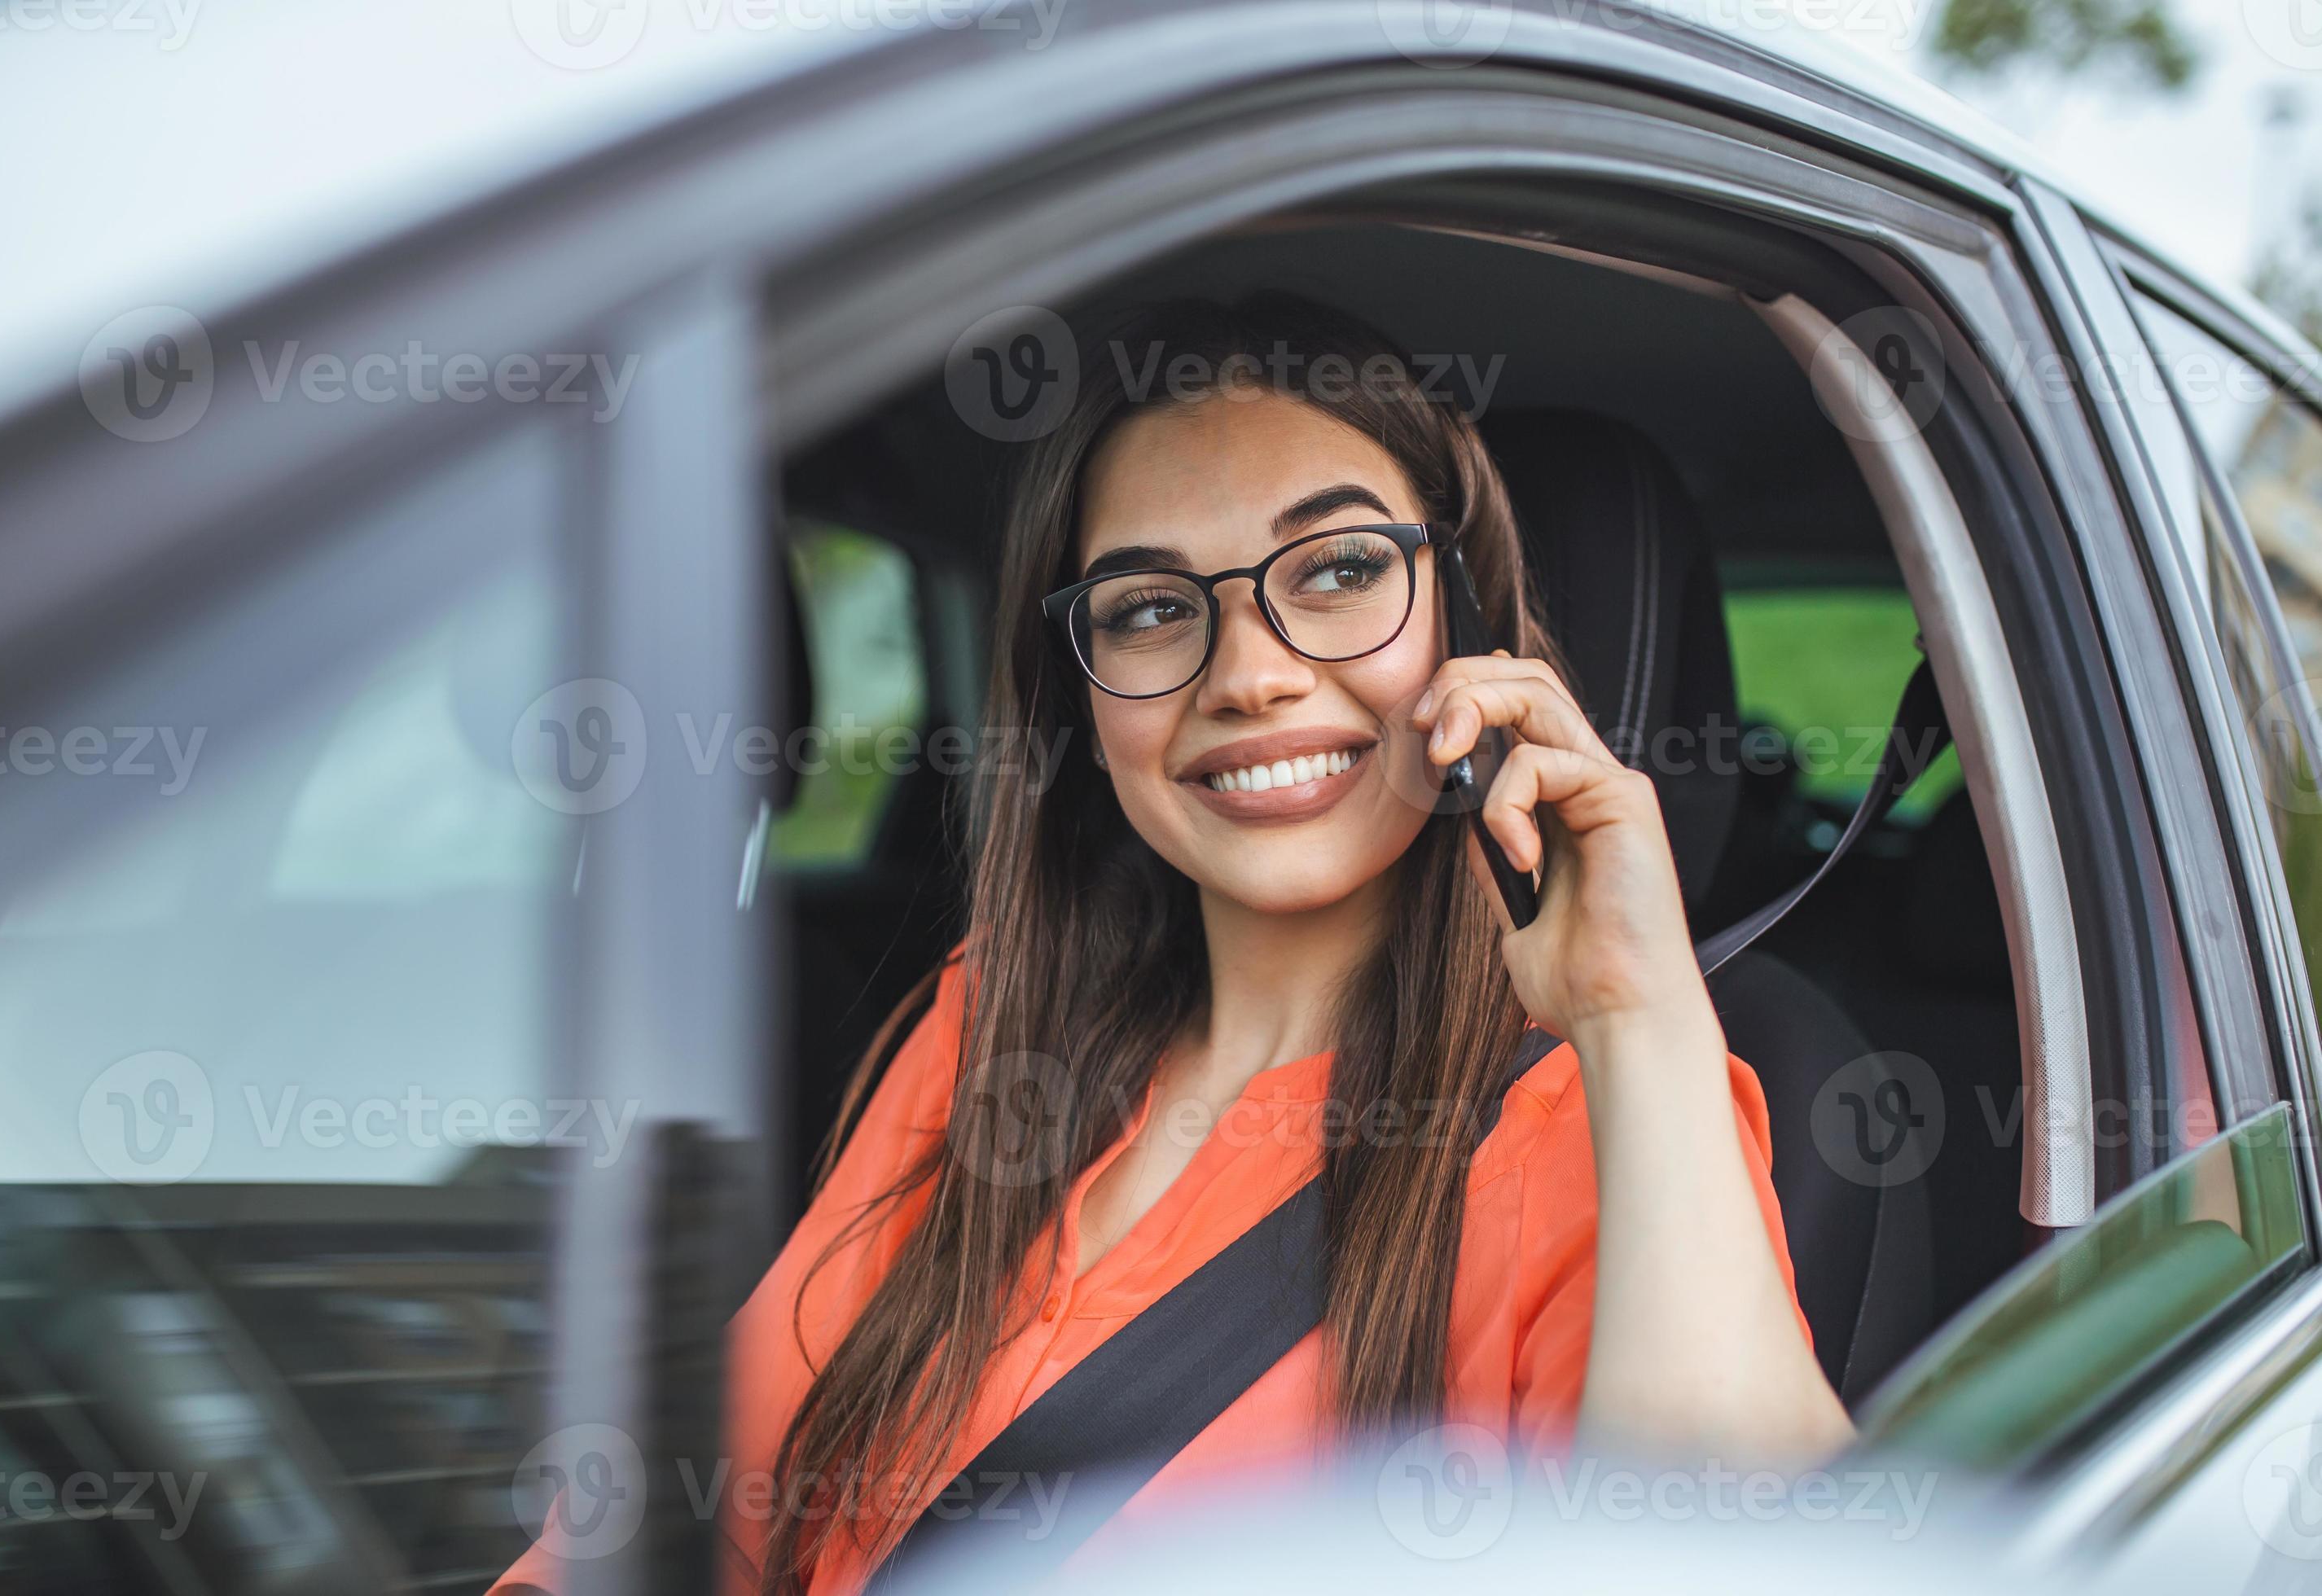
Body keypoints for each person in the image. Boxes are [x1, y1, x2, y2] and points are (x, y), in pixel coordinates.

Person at [494, 292, 1847, 1596]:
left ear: (1468, 623)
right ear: (1084, 704)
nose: (1250, 672)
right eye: (1148, 607)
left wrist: (1635, 1010)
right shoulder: (991, 1030)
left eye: (1338, 571)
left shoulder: (1605, 1114)